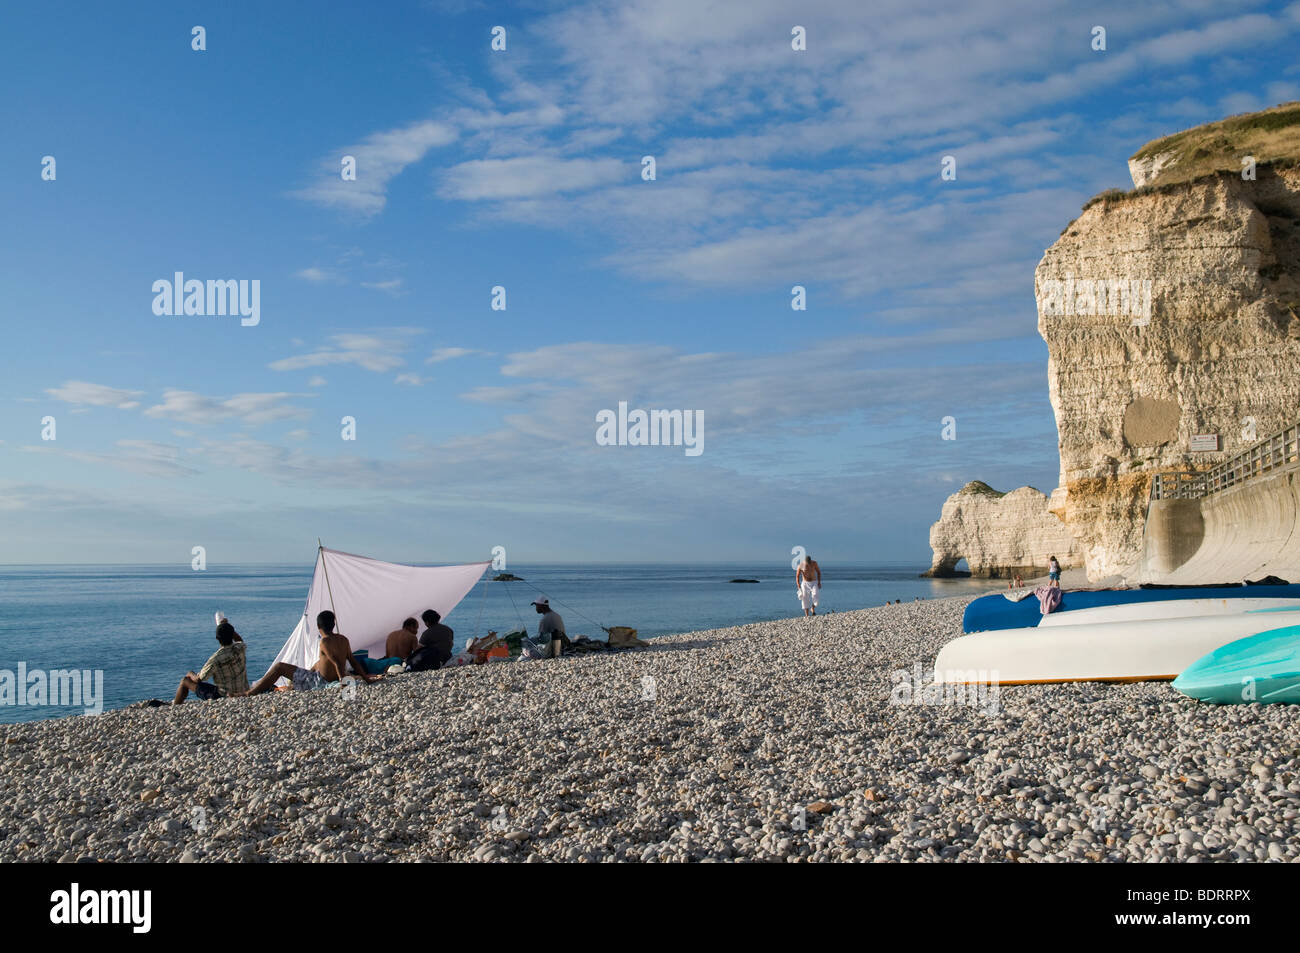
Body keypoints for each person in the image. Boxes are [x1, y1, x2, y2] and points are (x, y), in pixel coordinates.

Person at [242, 610, 375, 695]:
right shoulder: (343, 639)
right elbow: (352, 661)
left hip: (320, 681)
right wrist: (367, 679)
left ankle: (250, 693)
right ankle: (288, 686)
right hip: (331, 677)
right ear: (333, 625)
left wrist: (343, 682)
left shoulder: (324, 641)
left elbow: (335, 660)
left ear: (318, 627)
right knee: (318, 663)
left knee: (279, 667)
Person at [174, 613, 248, 704]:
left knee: (185, 681)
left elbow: (199, 679)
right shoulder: (240, 648)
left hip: (223, 696)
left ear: (217, 638)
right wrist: (225, 626)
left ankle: (174, 706)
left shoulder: (215, 659)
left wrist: (190, 673)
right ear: (232, 634)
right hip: (244, 691)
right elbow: (239, 640)